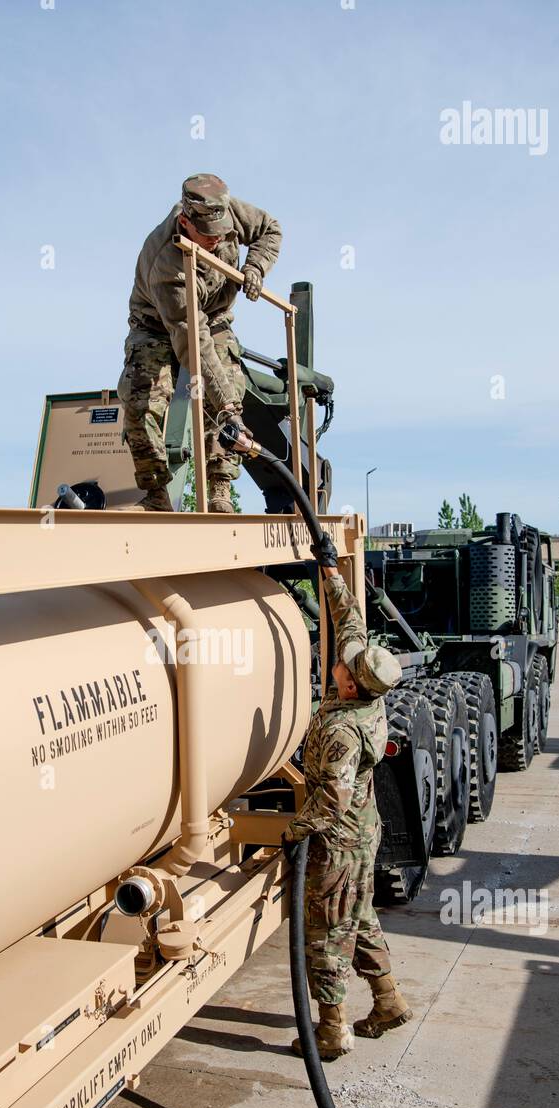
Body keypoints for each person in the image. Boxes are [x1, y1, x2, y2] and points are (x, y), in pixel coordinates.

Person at [283, 536, 412, 1061]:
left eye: (344, 663)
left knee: (324, 937)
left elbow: (332, 798)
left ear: (352, 687)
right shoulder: (365, 691)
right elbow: (352, 622)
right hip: (365, 831)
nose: (339, 659)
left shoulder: (342, 729)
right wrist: (331, 570)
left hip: (337, 842)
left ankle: (332, 1032)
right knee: (359, 917)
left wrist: (294, 832)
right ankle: (388, 1000)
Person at [117, 173, 281, 513]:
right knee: (140, 399)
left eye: (221, 234)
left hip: (215, 316)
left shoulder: (228, 210)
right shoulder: (167, 265)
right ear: (184, 222)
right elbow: (193, 341)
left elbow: (270, 229)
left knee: (229, 384)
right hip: (159, 325)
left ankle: (219, 486)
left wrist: (255, 267)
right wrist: (228, 410)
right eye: (207, 236)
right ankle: (156, 493)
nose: (216, 240)